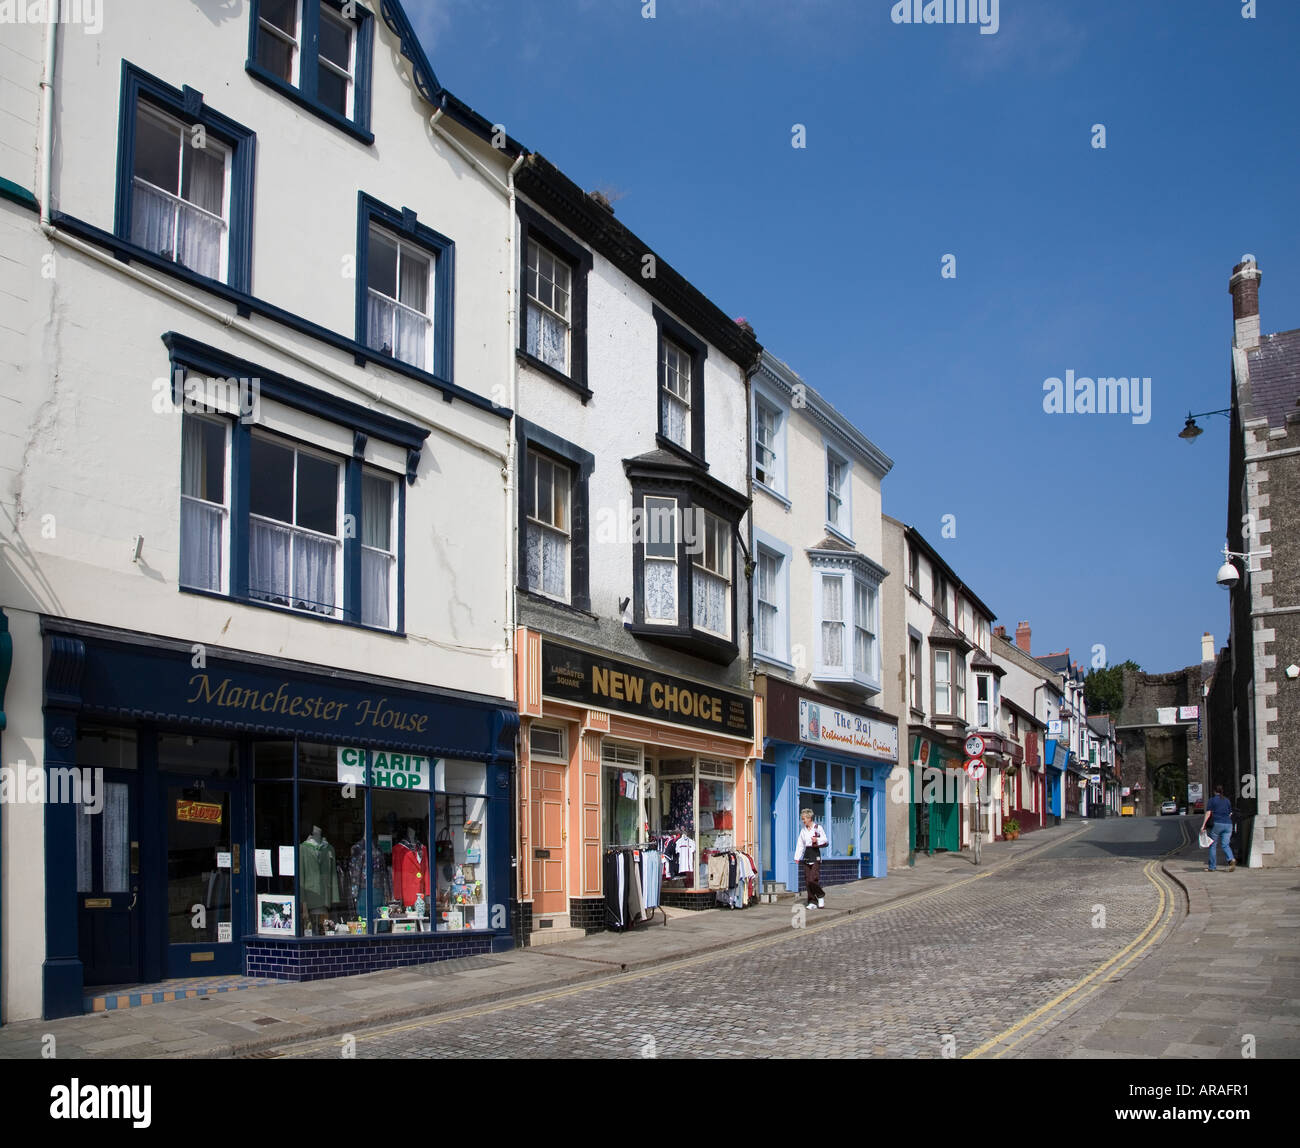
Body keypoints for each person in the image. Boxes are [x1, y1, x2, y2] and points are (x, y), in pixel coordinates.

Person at [794, 808, 829, 909]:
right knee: (807, 880)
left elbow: (825, 840)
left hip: (815, 854)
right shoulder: (803, 831)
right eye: (802, 819)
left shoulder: (818, 828)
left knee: (813, 879)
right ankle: (812, 902)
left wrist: (816, 840)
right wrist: (797, 857)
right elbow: (800, 844)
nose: (803, 820)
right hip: (807, 855)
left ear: (809, 818)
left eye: (804, 818)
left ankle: (820, 896)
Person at [1202, 785, 1235, 872]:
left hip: (1217, 824)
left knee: (1213, 845)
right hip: (1228, 824)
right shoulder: (1227, 800)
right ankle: (1231, 859)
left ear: (1214, 791)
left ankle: (1212, 867)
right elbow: (1230, 813)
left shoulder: (1212, 800)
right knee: (1225, 845)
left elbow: (1208, 813)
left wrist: (1203, 825)